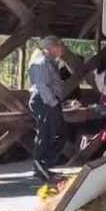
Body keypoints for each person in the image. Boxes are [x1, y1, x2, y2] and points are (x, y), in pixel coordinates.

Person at [28, 36, 69, 181]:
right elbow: (42, 85)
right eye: (59, 46)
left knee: (59, 133)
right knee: (46, 134)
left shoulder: (51, 62)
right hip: (44, 101)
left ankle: (45, 165)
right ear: (51, 47)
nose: (62, 49)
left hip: (49, 101)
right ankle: (40, 166)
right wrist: (53, 102)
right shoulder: (41, 62)